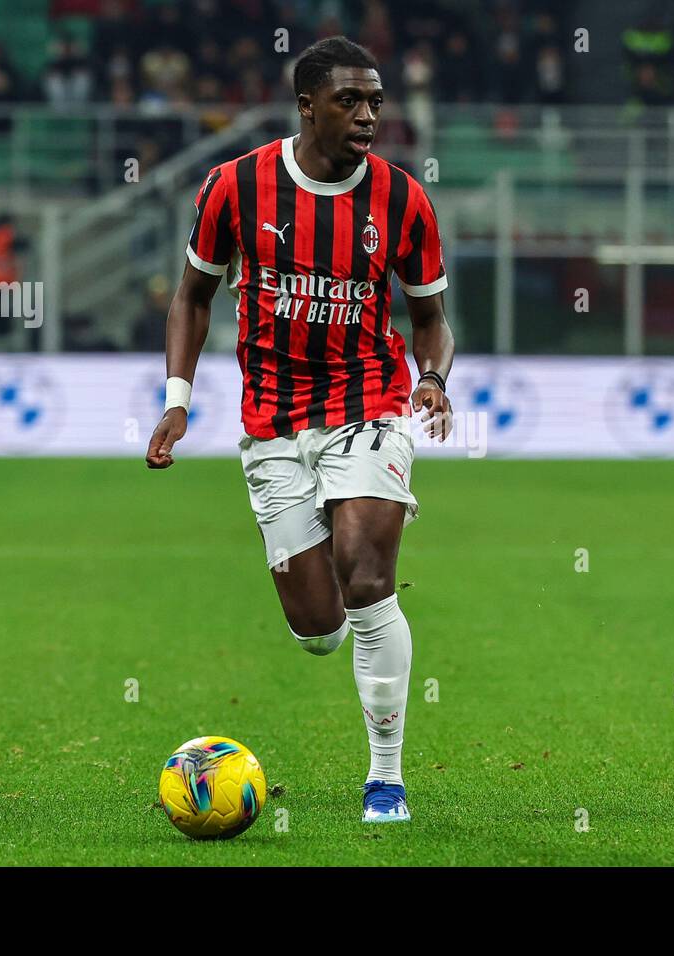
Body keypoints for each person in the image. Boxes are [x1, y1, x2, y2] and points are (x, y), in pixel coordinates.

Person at [144, 37, 455, 825]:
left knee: (369, 579)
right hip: (273, 423)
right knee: (320, 629)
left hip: (370, 407)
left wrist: (432, 378)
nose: (368, 116)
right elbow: (192, 296)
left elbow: (431, 318)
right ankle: (334, 596)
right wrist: (179, 397)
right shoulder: (235, 186)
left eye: (377, 102)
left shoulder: (402, 198)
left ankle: (385, 780)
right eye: (350, 101)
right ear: (307, 104)